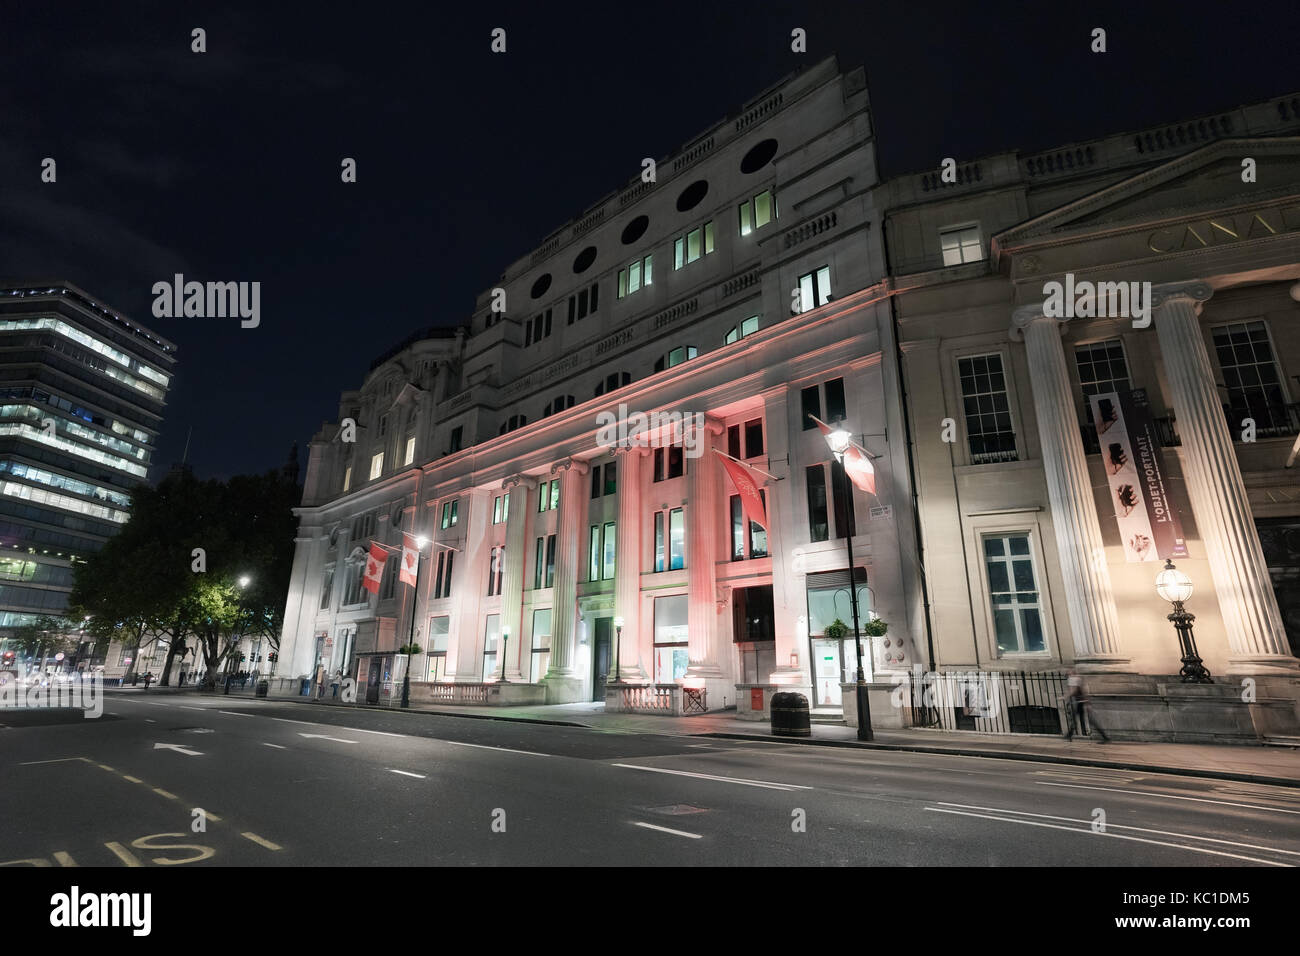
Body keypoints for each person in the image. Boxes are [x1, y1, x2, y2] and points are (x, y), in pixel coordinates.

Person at [1063, 669, 1108, 742]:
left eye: (1067, 674)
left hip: (1081, 702)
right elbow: (1084, 690)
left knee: (1088, 720)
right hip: (1083, 701)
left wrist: (1065, 696)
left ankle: (1105, 737)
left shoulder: (1073, 679)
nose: (1067, 676)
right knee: (1077, 718)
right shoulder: (1080, 678)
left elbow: (1073, 691)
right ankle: (1069, 735)